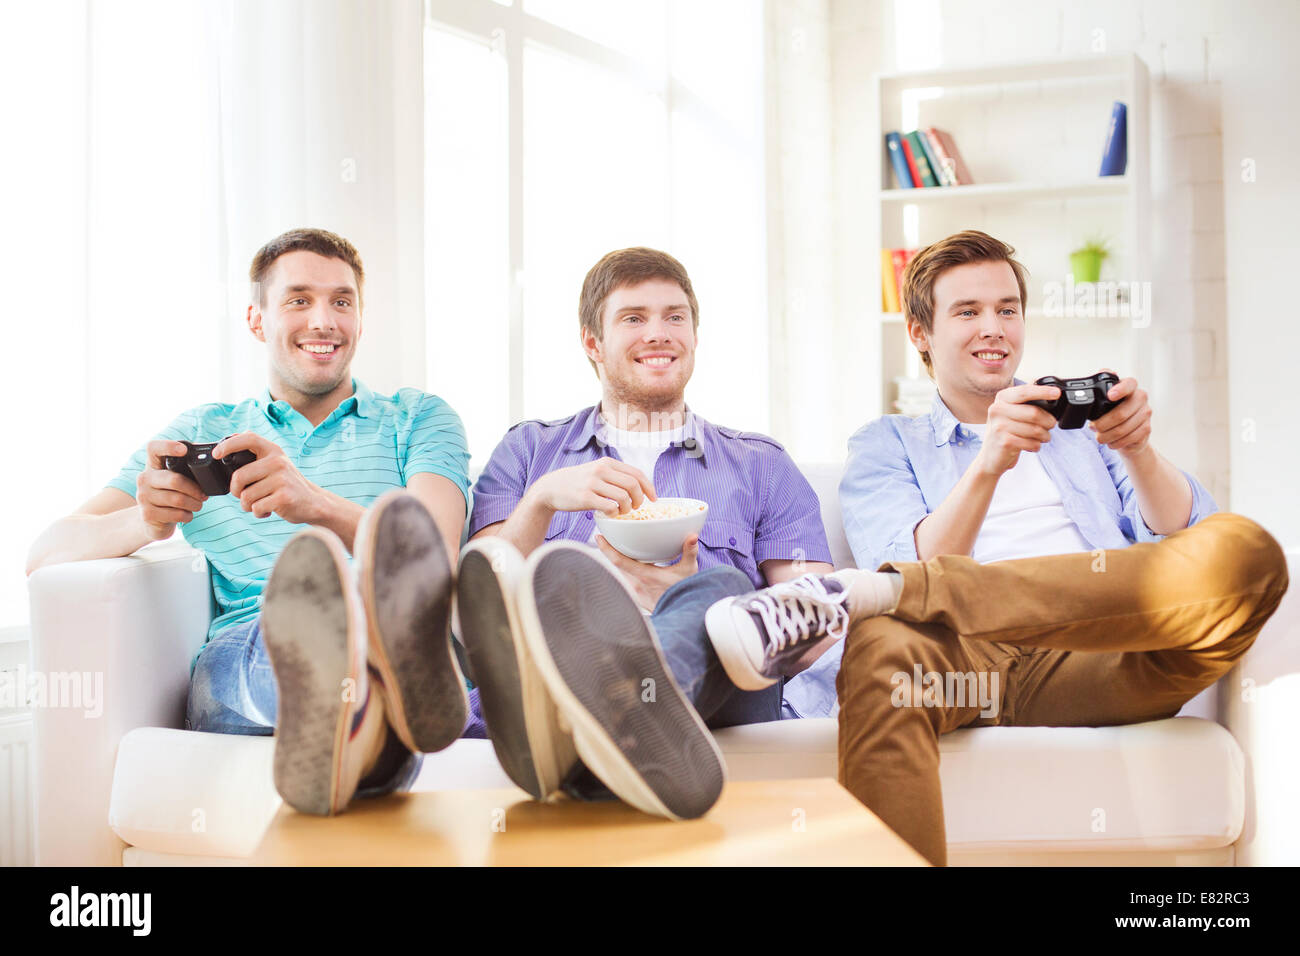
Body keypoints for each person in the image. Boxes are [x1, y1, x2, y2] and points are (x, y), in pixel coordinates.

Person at [703, 230, 1289, 864]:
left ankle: (867, 594)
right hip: (963, 665)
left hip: (1106, 654)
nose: (995, 328)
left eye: (1008, 309)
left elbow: (1183, 542)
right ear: (920, 333)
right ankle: (889, 595)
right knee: (880, 644)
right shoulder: (886, 444)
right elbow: (910, 551)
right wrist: (990, 462)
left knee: (1248, 553)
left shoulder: (1084, 435)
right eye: (968, 311)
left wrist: (1138, 449)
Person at [26, 228, 473, 816]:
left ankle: (360, 695)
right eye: (298, 300)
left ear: (361, 320)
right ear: (257, 319)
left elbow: (434, 549)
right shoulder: (207, 429)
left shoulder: (418, 418)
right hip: (250, 649)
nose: (324, 320)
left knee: (369, 612)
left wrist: (313, 504)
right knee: (277, 640)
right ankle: (369, 711)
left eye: (342, 301)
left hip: (390, 620)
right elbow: (46, 552)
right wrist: (148, 521)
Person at [454, 246, 846, 820]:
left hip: (721, 692)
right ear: (593, 342)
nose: (659, 333)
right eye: (633, 318)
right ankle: (621, 730)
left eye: (675, 316)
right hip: (556, 671)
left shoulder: (761, 465)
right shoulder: (530, 452)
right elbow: (475, 609)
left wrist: (686, 601)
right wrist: (541, 502)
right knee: (570, 608)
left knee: (718, 591)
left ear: (694, 333)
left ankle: (600, 719)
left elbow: (813, 627)